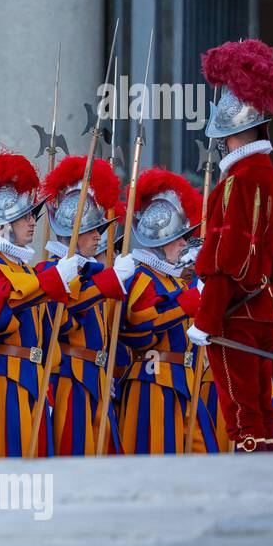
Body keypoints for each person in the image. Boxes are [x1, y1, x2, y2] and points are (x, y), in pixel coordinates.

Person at [187, 40, 273, 453]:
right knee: (263, 407)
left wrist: (207, 317)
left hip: (234, 314)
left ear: (230, 136)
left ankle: (253, 499)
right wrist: (268, 299)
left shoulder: (238, 183)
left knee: (241, 412)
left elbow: (226, 258)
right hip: (266, 311)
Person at [0, 152, 84, 457]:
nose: (33, 222)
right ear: (4, 223)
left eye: (32, 215)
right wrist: (50, 283)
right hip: (2, 378)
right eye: (25, 216)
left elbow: (55, 327)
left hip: (32, 376)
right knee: (6, 463)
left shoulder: (25, 268)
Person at [37, 156, 135, 455]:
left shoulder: (92, 274)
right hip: (70, 377)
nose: (98, 236)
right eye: (91, 230)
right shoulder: (49, 270)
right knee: (74, 456)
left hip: (98, 376)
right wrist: (107, 284)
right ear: (71, 234)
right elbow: (66, 319)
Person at [114, 168, 203, 455]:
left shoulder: (173, 278)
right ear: (161, 239)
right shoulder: (143, 277)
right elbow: (140, 328)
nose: (183, 243)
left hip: (181, 378)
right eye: (179, 237)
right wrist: (188, 302)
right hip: (152, 380)